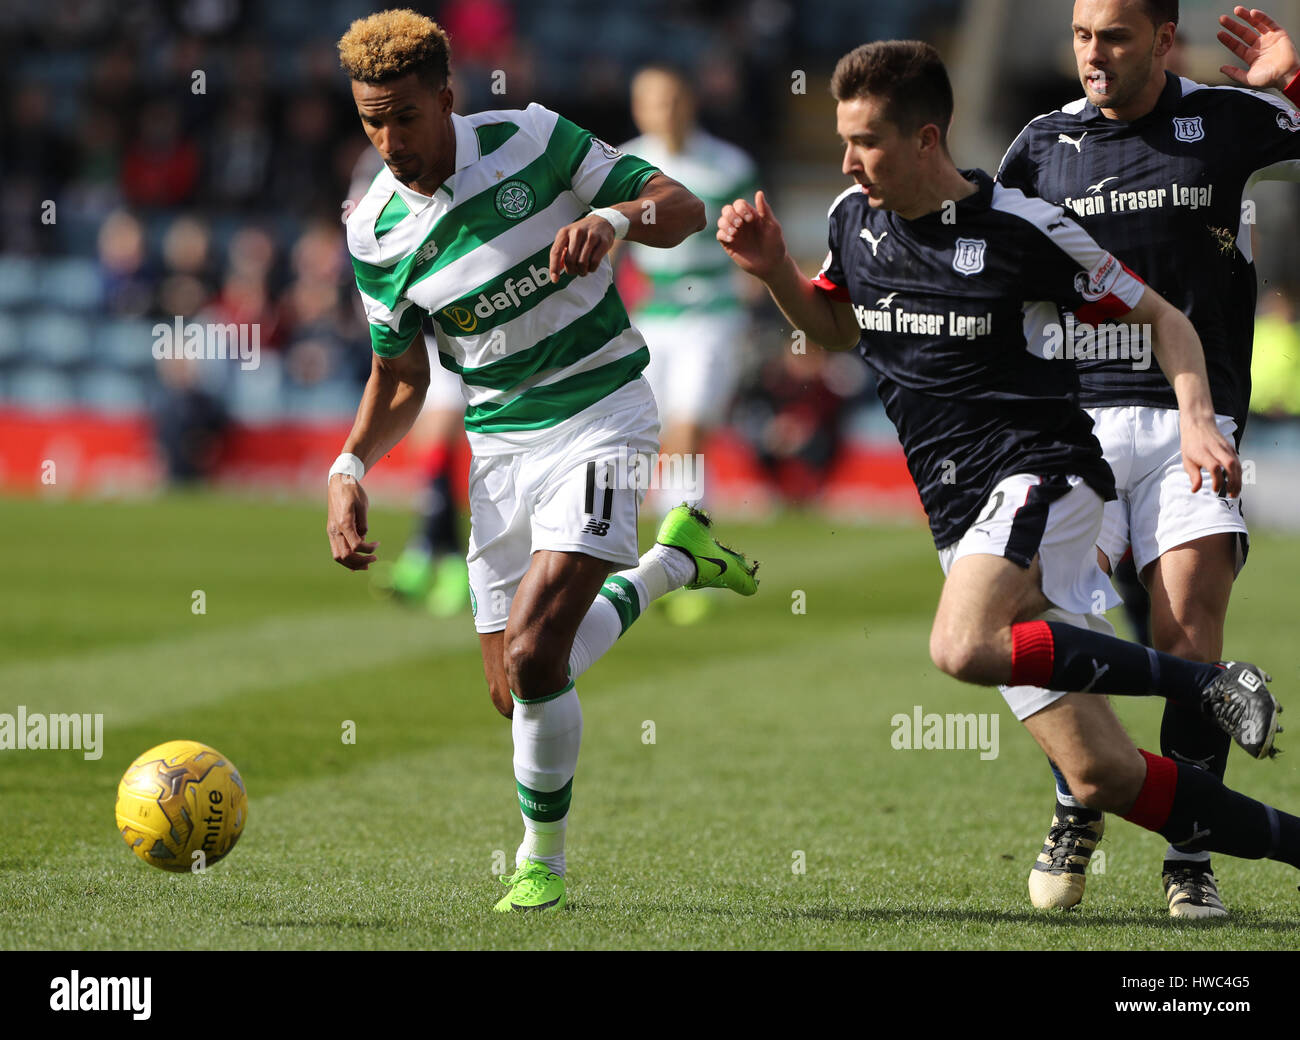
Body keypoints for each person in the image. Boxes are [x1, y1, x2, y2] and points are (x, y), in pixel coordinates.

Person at [718, 38, 1300, 896]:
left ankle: (1209, 684)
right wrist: (775, 272)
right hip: (959, 516)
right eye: (844, 141)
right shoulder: (853, 219)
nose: (848, 161)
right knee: (1105, 775)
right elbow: (839, 327)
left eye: (867, 141)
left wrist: (1199, 420)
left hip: (1040, 476)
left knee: (960, 645)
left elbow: (1165, 318)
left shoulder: (1022, 229)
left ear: (927, 139)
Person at [327, 10, 759, 912]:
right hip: (499, 449)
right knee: (515, 689)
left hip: (604, 413)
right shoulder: (375, 232)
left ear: (447, 95)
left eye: (404, 115)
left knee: (533, 652)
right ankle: (675, 563)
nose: (388, 139)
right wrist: (351, 467)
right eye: (371, 119)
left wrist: (613, 216)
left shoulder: (533, 138)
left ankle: (542, 864)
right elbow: (399, 374)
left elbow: (682, 209)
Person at [996, 0, 1300, 916]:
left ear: (1164, 40)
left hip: (1189, 424)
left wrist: (1290, 76)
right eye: (1084, 36)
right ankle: (1077, 797)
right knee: (1053, 634)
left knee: (1188, 634)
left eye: (1117, 36)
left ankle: (1189, 850)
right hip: (1075, 426)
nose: (1095, 54)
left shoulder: (1226, 117)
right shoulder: (1040, 146)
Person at [618, 65, 762, 623]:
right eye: (652, 101)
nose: (665, 111)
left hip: (711, 313)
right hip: (649, 314)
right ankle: (668, 561)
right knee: (646, 438)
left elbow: (747, 240)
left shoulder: (726, 165)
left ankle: (678, 557)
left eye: (673, 99)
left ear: (690, 102)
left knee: (688, 431)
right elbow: (612, 244)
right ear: (639, 108)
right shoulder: (625, 162)